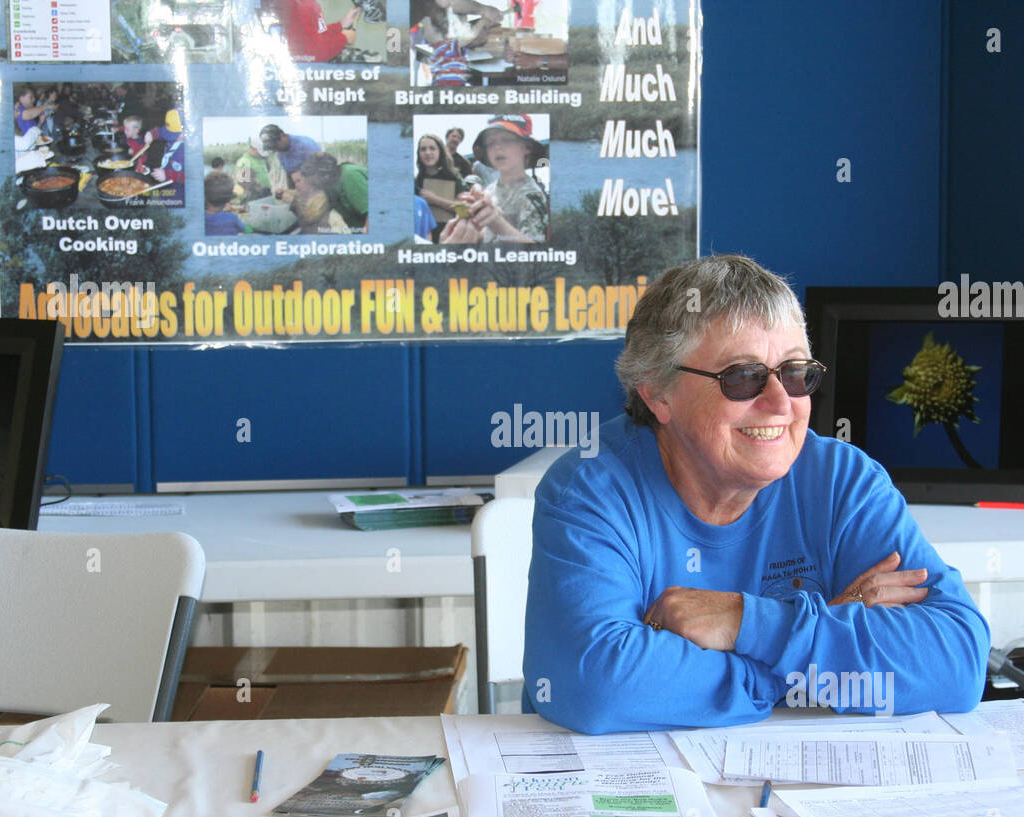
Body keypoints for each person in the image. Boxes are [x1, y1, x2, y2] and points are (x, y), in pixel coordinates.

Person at [521, 255, 990, 733]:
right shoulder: (588, 490)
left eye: (795, 372)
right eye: (742, 377)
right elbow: (598, 687)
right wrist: (816, 645)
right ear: (658, 394)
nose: (782, 402)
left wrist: (744, 622)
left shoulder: (842, 480)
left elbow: (957, 665)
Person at [440, 114, 546, 243]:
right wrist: (472, 225)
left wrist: (497, 223)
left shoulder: (532, 195)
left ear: (527, 147)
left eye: (506, 140)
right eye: (490, 143)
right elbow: (490, 236)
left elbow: (536, 251)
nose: (497, 147)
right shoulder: (490, 188)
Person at [288, 151, 367, 233]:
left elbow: (372, 214)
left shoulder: (350, 176)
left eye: (314, 178)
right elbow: (313, 213)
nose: (312, 182)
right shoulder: (330, 187)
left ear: (325, 175)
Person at [414, 133, 466, 242]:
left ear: (440, 151)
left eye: (432, 148)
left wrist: (435, 200)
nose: (428, 153)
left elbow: (464, 210)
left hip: (449, 235)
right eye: (423, 149)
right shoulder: (416, 182)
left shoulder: (454, 178)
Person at [281, 0, 361, 62]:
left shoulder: (307, 3)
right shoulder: (303, 5)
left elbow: (313, 37)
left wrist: (340, 26)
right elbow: (312, 54)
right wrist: (344, 38)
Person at [234, 135, 272, 200]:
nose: (261, 154)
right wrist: (261, 189)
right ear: (253, 149)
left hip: (265, 195)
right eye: (259, 152)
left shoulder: (261, 159)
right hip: (253, 198)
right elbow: (244, 184)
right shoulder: (245, 162)